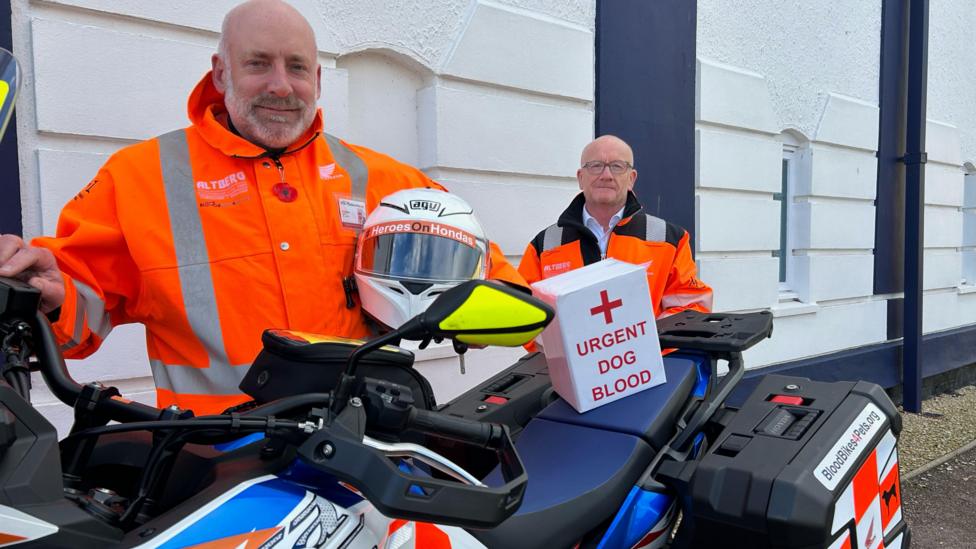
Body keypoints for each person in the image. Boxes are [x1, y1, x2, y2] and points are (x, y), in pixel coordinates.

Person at [0, 0, 524, 414]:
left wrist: (504, 317)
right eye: (258, 64)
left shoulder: (382, 181)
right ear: (221, 73)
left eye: (297, 67)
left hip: (359, 450)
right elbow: (77, 311)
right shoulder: (139, 178)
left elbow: (489, 277)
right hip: (210, 460)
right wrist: (49, 293)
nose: (280, 85)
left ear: (317, 82)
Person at [518, 135, 712, 319]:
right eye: (595, 166)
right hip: (568, 355)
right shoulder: (544, 245)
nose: (606, 175)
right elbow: (524, 312)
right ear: (580, 177)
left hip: (647, 354)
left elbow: (691, 305)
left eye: (617, 166)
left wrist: (649, 338)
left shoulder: (669, 239)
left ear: (631, 178)